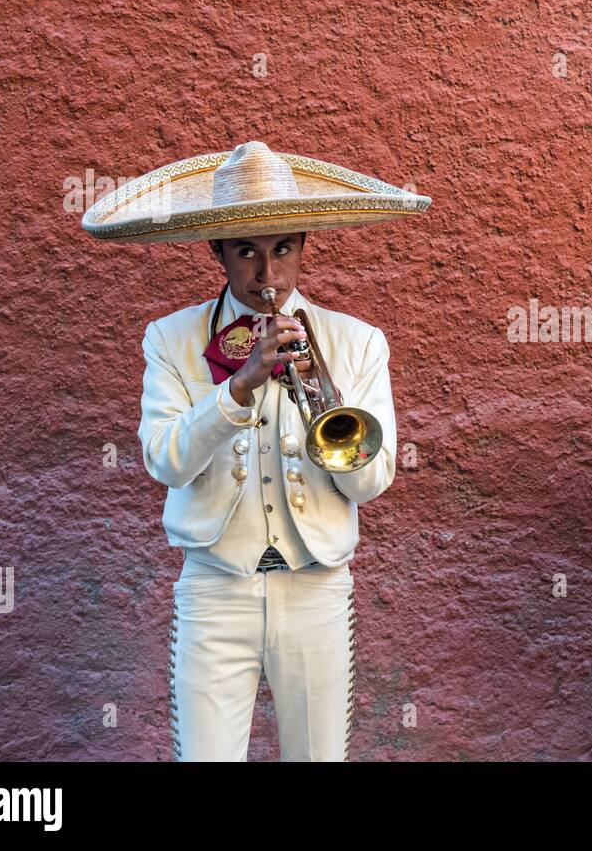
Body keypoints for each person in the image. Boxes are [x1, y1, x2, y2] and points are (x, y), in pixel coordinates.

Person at [82, 140, 429, 760]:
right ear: (215, 250)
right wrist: (237, 389)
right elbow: (165, 461)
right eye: (246, 251)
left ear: (303, 244)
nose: (268, 275)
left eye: (282, 249)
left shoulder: (356, 341)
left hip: (317, 588)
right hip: (215, 588)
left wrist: (322, 402)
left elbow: (370, 483)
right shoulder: (171, 338)